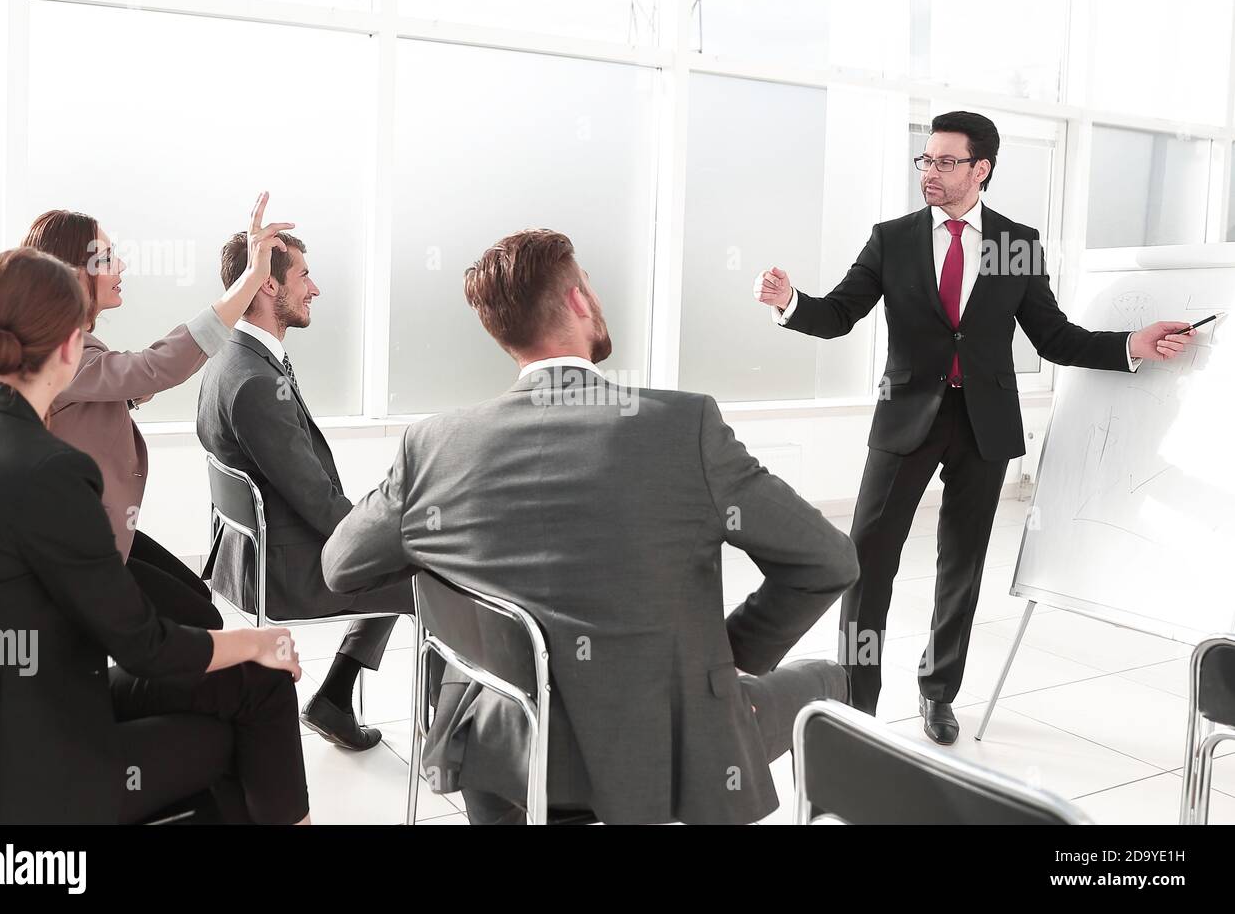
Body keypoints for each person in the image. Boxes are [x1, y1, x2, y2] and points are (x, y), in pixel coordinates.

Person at [322, 228, 858, 825]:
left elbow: (341, 564)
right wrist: (724, 661)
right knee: (831, 677)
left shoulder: (436, 444)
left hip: (500, 748)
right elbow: (829, 562)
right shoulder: (684, 428)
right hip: (657, 748)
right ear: (578, 300)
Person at [753, 110, 1197, 744]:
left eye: (944, 162)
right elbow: (839, 314)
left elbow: (1053, 335)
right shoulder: (893, 238)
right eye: (925, 161)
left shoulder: (1015, 243)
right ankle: (859, 703)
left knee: (961, 567)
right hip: (906, 420)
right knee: (867, 566)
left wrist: (1132, 344)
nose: (929, 172)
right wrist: (790, 303)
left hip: (984, 425)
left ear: (980, 169)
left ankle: (939, 693)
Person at [0, 247, 310, 824]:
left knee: (250, 689)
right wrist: (259, 641)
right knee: (251, 707)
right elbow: (147, 647)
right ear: (70, 347)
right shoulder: (52, 472)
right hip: (57, 768)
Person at [23, 192, 296, 630]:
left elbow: (108, 387)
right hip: (70, 551)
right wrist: (249, 280)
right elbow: (154, 367)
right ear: (73, 273)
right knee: (198, 618)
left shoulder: (63, 343)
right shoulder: (58, 351)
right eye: (107, 258)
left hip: (85, 533)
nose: (121, 267)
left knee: (197, 603)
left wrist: (130, 390)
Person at [197, 230, 412, 752]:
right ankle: (450, 740)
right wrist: (380, 533)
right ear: (268, 286)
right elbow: (316, 501)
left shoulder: (232, 358)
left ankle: (334, 699)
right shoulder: (251, 380)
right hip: (282, 572)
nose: (314, 289)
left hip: (251, 556)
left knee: (397, 542)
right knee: (422, 571)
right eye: (303, 276)